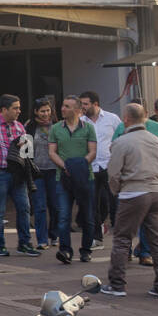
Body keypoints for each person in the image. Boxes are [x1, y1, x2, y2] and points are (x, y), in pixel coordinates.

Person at [100, 104, 158, 298]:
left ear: (126, 119)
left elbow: (113, 173)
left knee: (122, 238)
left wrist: (118, 190)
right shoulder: (156, 140)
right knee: (157, 239)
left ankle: (117, 284)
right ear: (145, 118)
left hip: (133, 192)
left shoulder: (122, 142)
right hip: (156, 191)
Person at [0, 95, 39, 257]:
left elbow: (28, 152)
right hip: (0, 173)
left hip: (18, 173)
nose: (19, 111)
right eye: (15, 108)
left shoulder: (19, 127)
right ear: (4, 110)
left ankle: (24, 243)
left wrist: (24, 147)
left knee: (24, 208)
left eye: (19, 107)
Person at [47, 95, 97, 264]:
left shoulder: (88, 128)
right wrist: (66, 167)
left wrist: (80, 166)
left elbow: (92, 151)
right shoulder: (55, 128)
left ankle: (86, 250)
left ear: (77, 110)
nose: (62, 109)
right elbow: (52, 152)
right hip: (63, 178)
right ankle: (65, 250)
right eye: (62, 105)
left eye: (67, 106)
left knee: (88, 217)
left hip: (85, 178)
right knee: (63, 216)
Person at [78, 90, 122, 250]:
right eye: (80, 103)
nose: (82, 107)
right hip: (90, 167)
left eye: (85, 104)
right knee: (92, 204)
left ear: (95, 104)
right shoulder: (80, 121)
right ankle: (96, 237)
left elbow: (121, 137)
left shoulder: (112, 119)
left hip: (110, 166)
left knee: (114, 203)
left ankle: (121, 240)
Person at [29, 98, 60, 248]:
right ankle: (42, 240)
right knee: (39, 206)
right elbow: (25, 152)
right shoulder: (29, 127)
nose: (46, 114)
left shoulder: (58, 126)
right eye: (42, 111)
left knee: (55, 205)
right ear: (36, 111)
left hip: (55, 170)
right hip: (37, 172)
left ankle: (54, 234)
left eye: (48, 110)